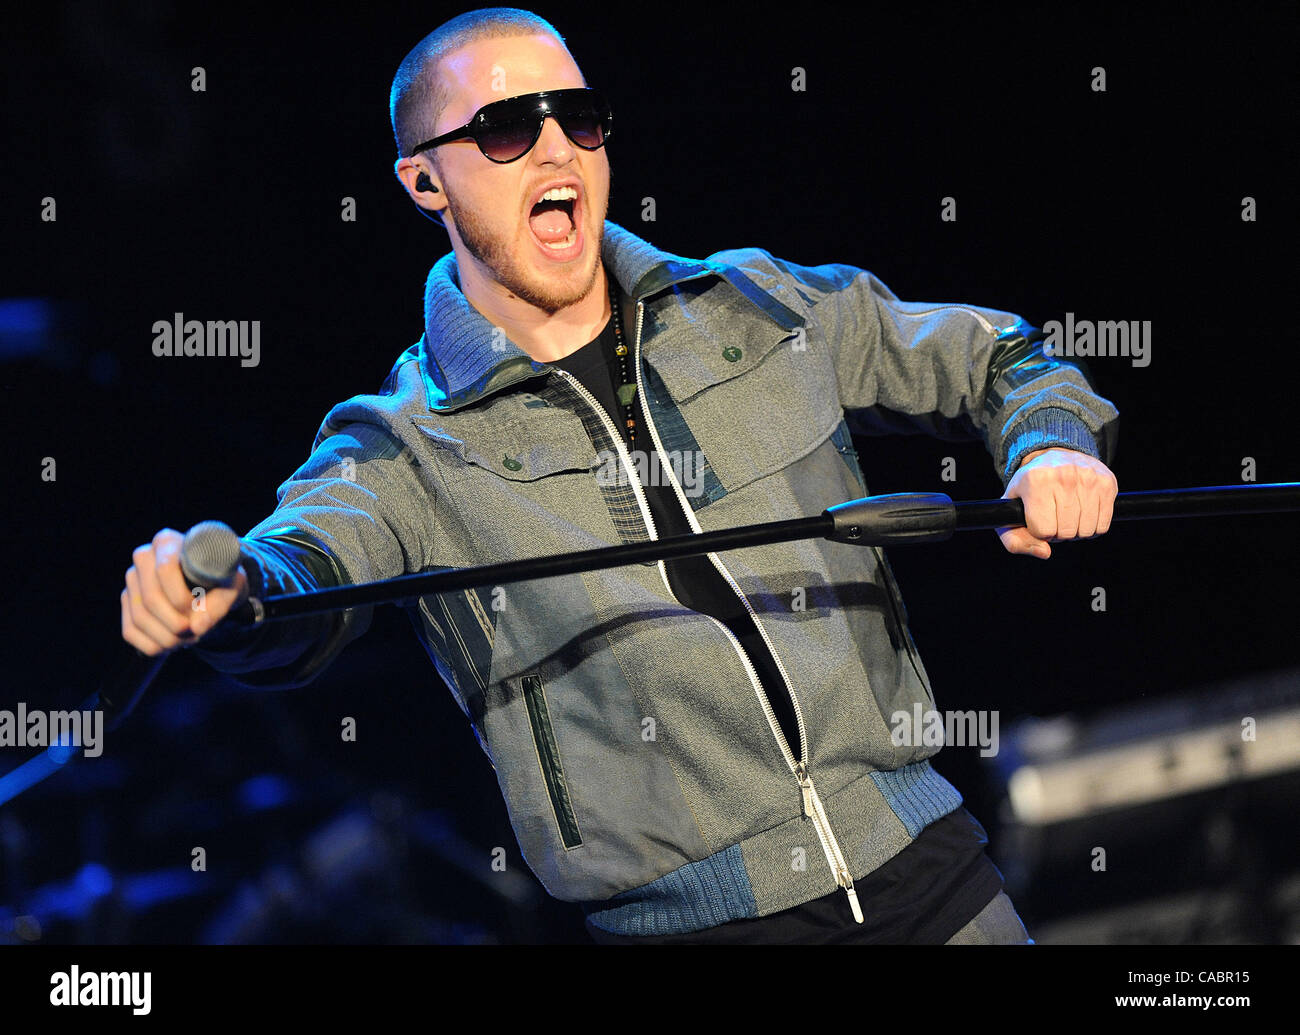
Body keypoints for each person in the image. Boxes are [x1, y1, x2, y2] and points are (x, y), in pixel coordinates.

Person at [119, 8, 1119, 944]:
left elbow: (996, 357)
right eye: (506, 128)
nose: (557, 148)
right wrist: (224, 594)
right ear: (424, 183)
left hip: (937, 881)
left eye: (577, 118)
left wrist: (1051, 445)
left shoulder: (752, 304)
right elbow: (302, 572)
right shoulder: (405, 446)